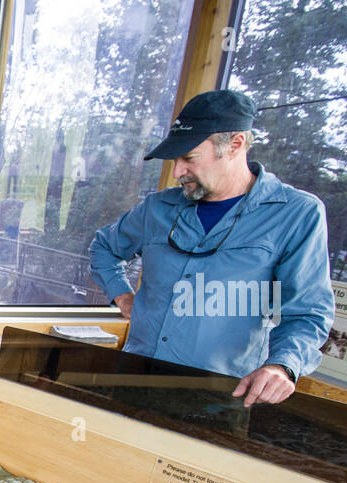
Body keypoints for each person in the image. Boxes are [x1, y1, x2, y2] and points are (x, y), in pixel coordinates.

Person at [88, 90, 334, 407]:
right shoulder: (157, 208)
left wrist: (282, 366)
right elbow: (104, 248)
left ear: (235, 145)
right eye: (175, 160)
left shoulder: (297, 214)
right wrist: (122, 295)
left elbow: (309, 313)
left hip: (218, 399)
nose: (177, 172)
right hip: (134, 384)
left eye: (189, 159)